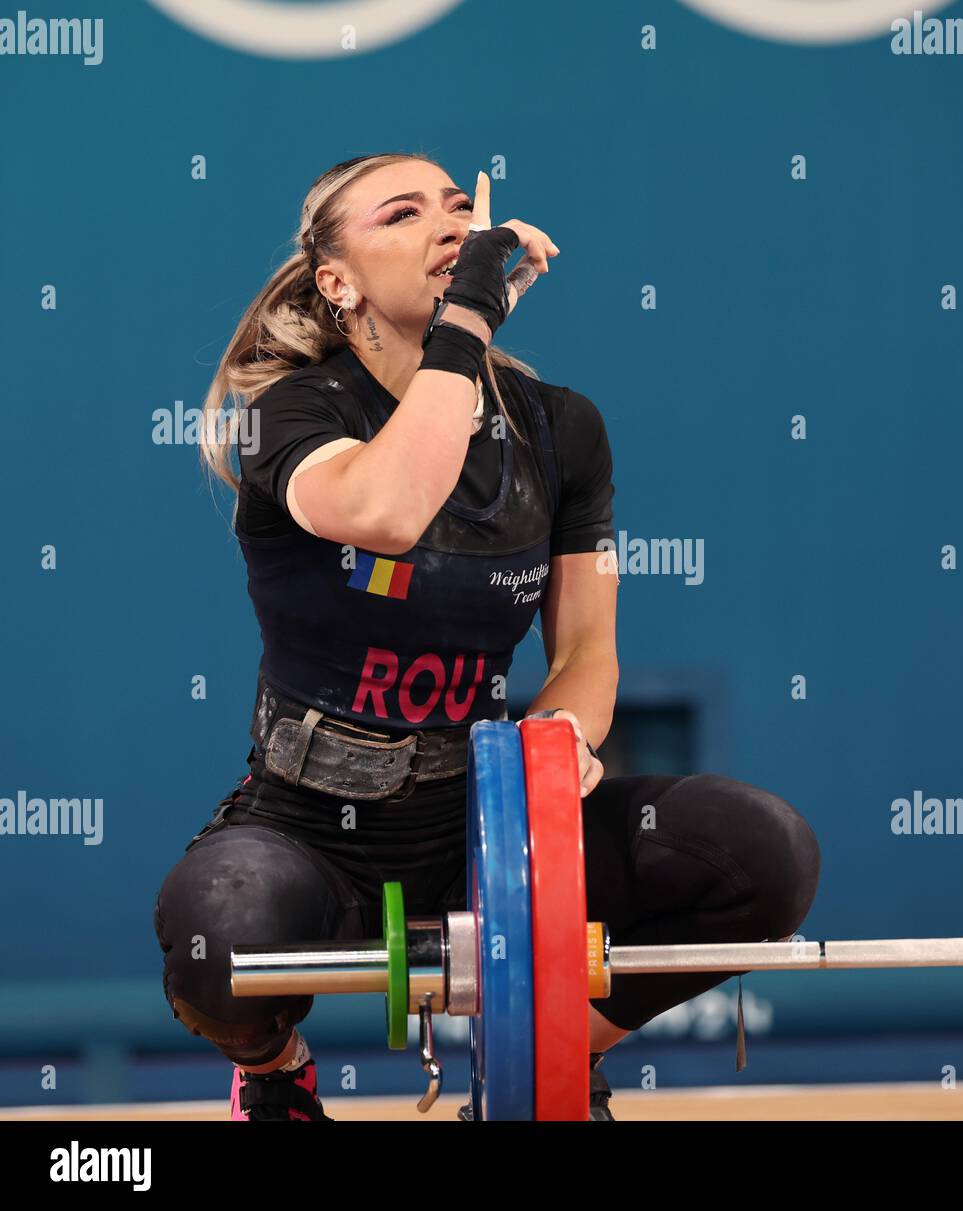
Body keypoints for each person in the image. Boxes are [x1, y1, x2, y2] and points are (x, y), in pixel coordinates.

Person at [152, 152, 821, 1121]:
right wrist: (465, 321)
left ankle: (551, 1051)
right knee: (214, 940)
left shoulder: (560, 430)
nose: (448, 226)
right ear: (336, 280)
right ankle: (276, 1072)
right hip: (312, 831)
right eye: (403, 214)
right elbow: (387, 508)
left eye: (460, 208)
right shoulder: (290, 414)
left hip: (491, 818)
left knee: (764, 851)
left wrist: (557, 753)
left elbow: (587, 652)